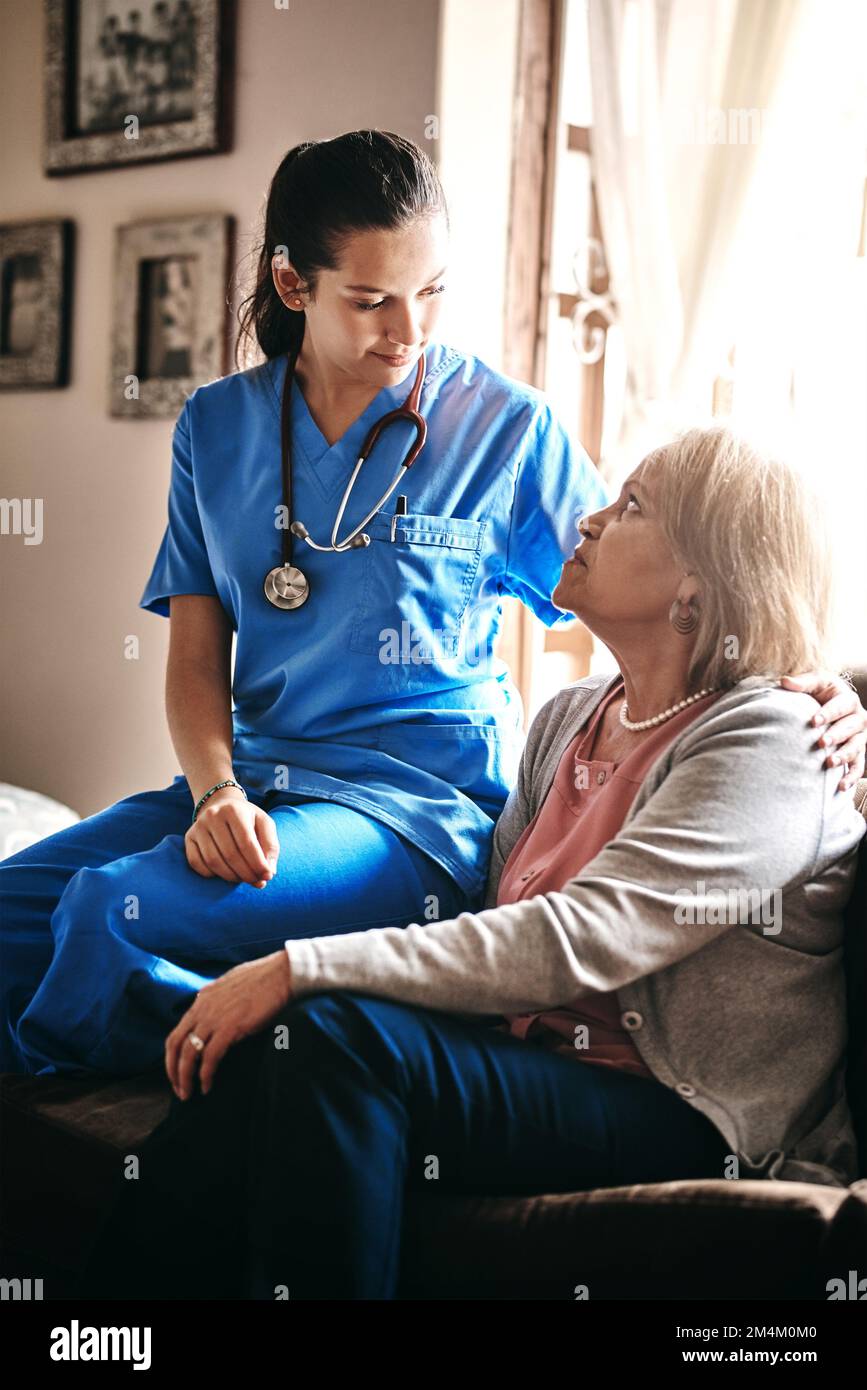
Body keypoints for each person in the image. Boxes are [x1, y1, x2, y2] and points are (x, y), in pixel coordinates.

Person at [76, 424, 867, 1302]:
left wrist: (299, 967)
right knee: (279, 1052)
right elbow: (489, 919)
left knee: (335, 1036)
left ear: (695, 585)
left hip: (690, 1115)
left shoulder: (775, 736)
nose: (592, 517)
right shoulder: (570, 718)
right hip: (535, 1067)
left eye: (631, 505)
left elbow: (586, 935)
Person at [2, 129, 617, 1076]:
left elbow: (656, 598)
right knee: (13, 915)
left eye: (431, 293)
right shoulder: (217, 426)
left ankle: (89, 1087)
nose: (408, 332)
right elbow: (197, 658)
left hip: (410, 815)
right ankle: (210, 1029)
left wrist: (787, 688)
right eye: (370, 300)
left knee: (106, 904)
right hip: (253, 785)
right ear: (294, 286)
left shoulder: (507, 430)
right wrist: (215, 793)